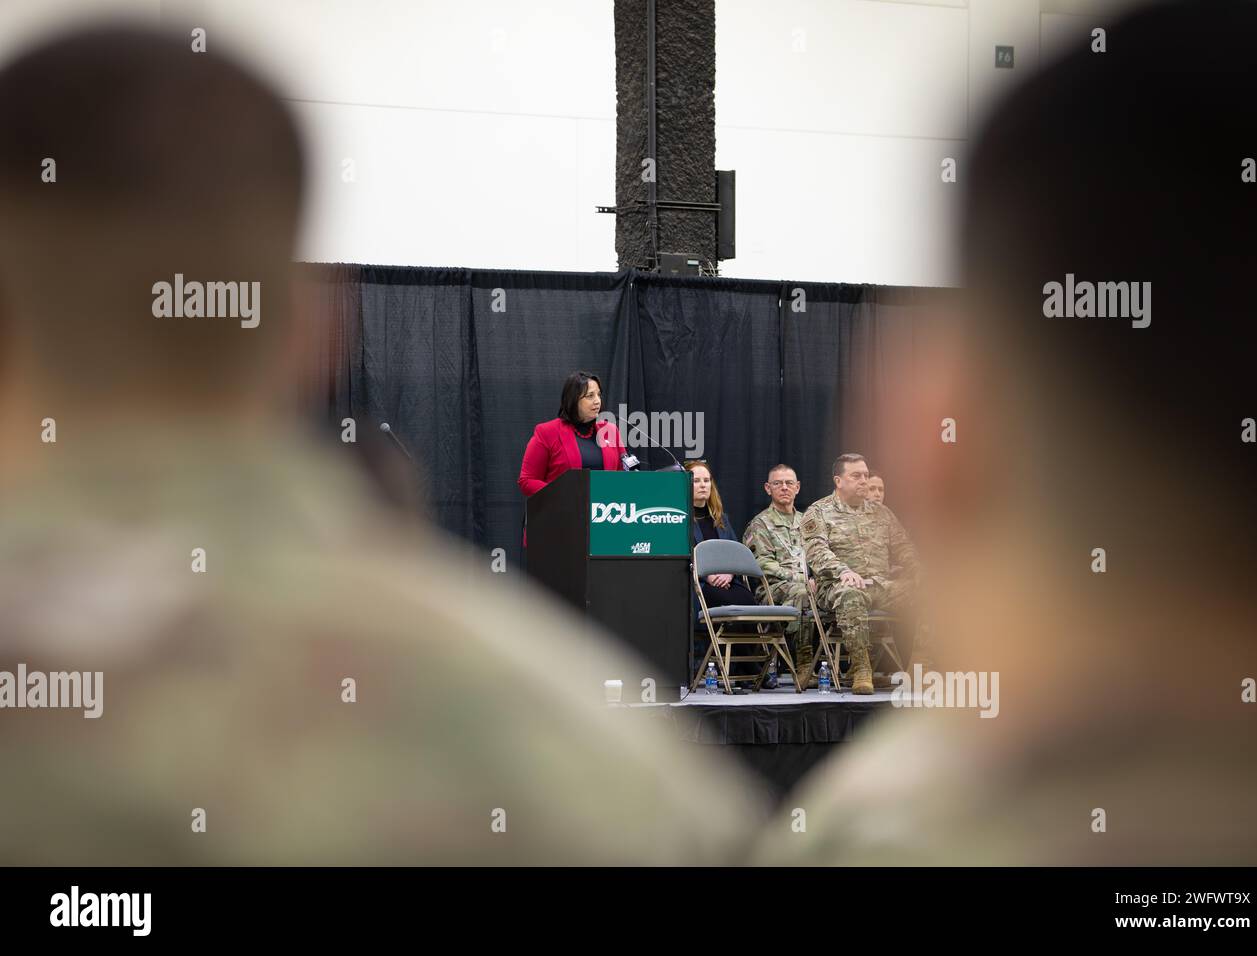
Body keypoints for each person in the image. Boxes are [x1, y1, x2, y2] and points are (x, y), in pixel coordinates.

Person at [0, 25, 763, 865]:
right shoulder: (597, 769)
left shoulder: (607, 449)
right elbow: (535, 486)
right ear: (312, 329)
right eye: (584, 393)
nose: (590, 400)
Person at [754, 0, 1257, 864]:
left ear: (940, 438)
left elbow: (906, 558)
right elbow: (820, 565)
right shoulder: (809, 524)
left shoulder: (883, 836)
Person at [800, 454, 921, 694]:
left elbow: (904, 549)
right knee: (850, 594)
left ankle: (920, 665)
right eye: (856, 476)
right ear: (838, 481)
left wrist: (918, 570)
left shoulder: (882, 513)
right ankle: (861, 668)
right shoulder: (818, 512)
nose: (863, 481)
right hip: (836, 587)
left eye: (866, 475)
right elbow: (816, 551)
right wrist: (843, 570)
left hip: (880, 585)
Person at [684, 460, 769, 689]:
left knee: (749, 603)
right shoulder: (679, 517)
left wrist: (730, 573)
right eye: (696, 480)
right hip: (700, 584)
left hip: (728, 579)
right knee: (731, 604)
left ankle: (741, 666)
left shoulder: (721, 518)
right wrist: (707, 575)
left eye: (706, 480)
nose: (703, 485)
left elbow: (733, 550)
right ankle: (751, 669)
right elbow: (684, 556)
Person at [742, 464, 818, 689]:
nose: (784, 488)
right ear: (768, 488)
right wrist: (800, 579)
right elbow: (761, 565)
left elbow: (821, 555)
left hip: (811, 585)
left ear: (798, 487)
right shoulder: (760, 524)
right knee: (804, 594)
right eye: (777, 483)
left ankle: (857, 668)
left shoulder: (809, 522)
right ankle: (804, 666)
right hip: (772, 590)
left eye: (789, 483)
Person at [517, 371, 628, 498]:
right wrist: (562, 495)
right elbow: (527, 481)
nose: (597, 401)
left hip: (604, 512)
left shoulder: (610, 430)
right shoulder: (547, 432)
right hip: (562, 512)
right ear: (573, 399)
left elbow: (622, 476)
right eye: (590, 396)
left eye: (598, 395)